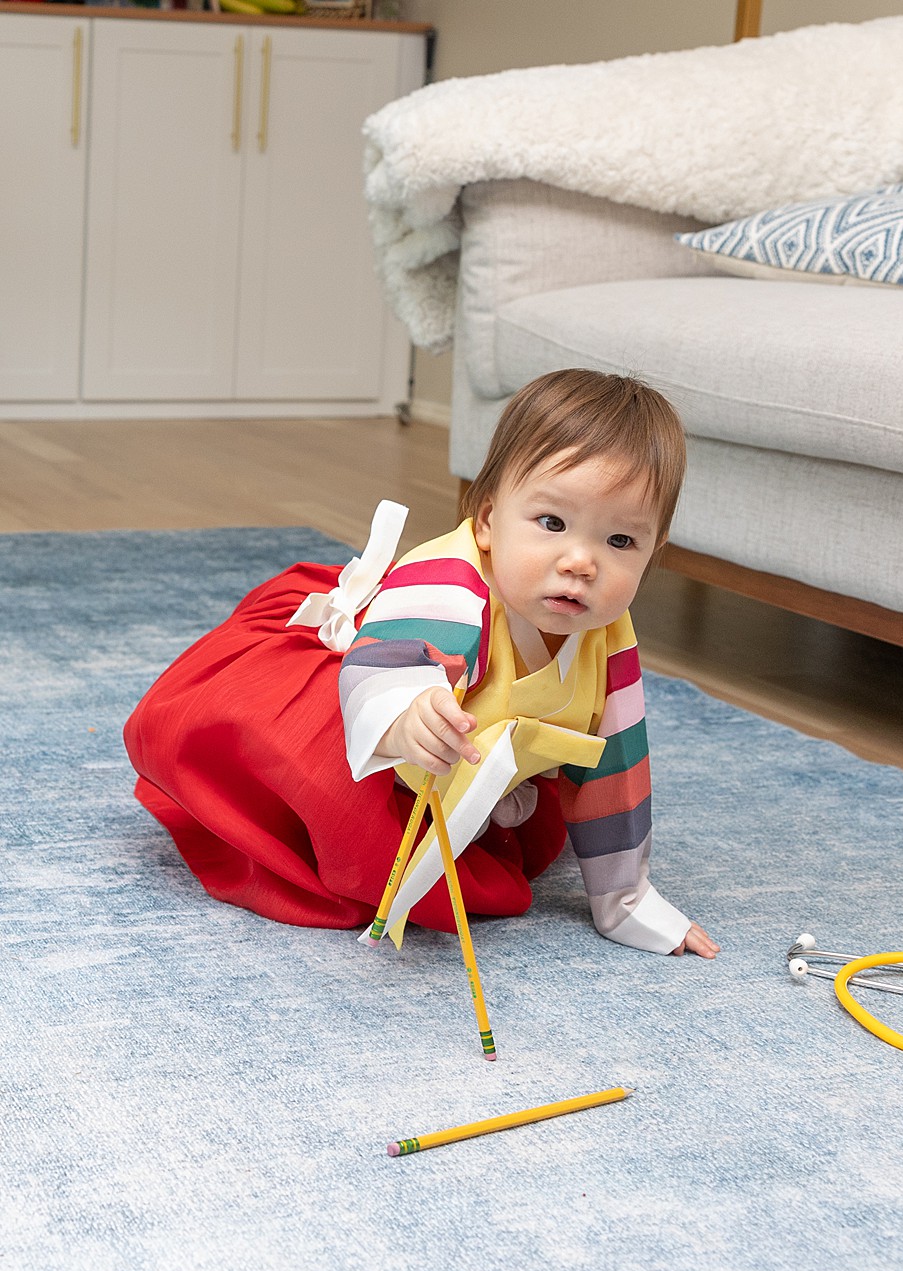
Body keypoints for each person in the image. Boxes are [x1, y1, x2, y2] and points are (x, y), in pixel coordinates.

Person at [125, 369, 719, 959]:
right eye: (552, 524)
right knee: (338, 822)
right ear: (487, 521)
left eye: (620, 542)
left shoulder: (607, 634)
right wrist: (405, 717)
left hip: (465, 748)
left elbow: (616, 768)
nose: (580, 563)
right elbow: (395, 664)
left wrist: (625, 900)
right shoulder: (447, 585)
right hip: (366, 690)